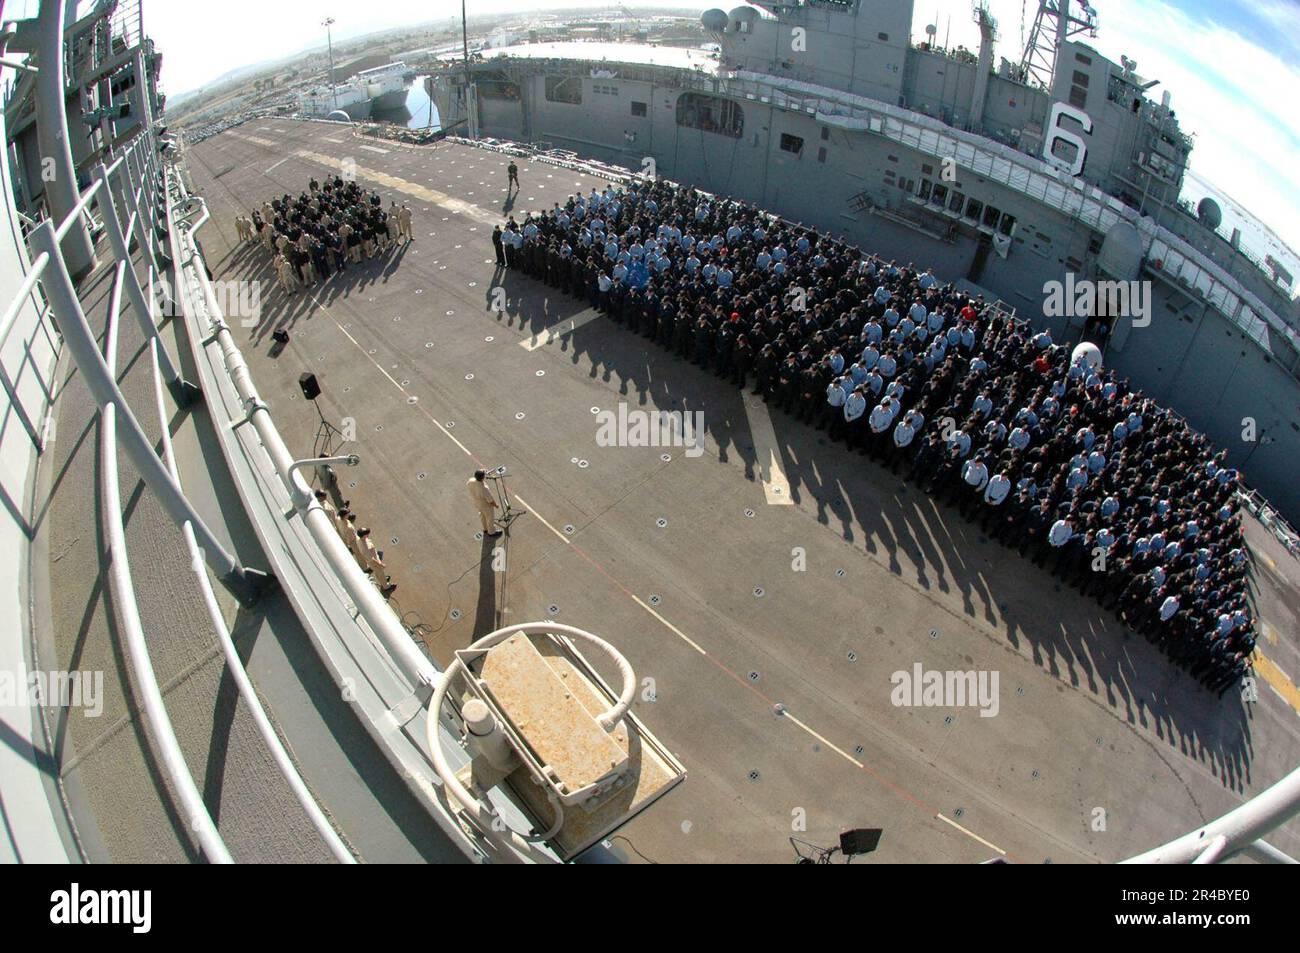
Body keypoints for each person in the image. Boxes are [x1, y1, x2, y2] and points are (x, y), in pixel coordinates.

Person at [468, 470, 501, 537]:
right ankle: (491, 532)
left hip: (477, 503)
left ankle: (485, 529)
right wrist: (496, 505)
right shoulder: (483, 488)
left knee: (482, 516)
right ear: (482, 478)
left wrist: (482, 471)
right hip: (485, 505)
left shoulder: (471, 481)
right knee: (489, 518)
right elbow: (490, 500)